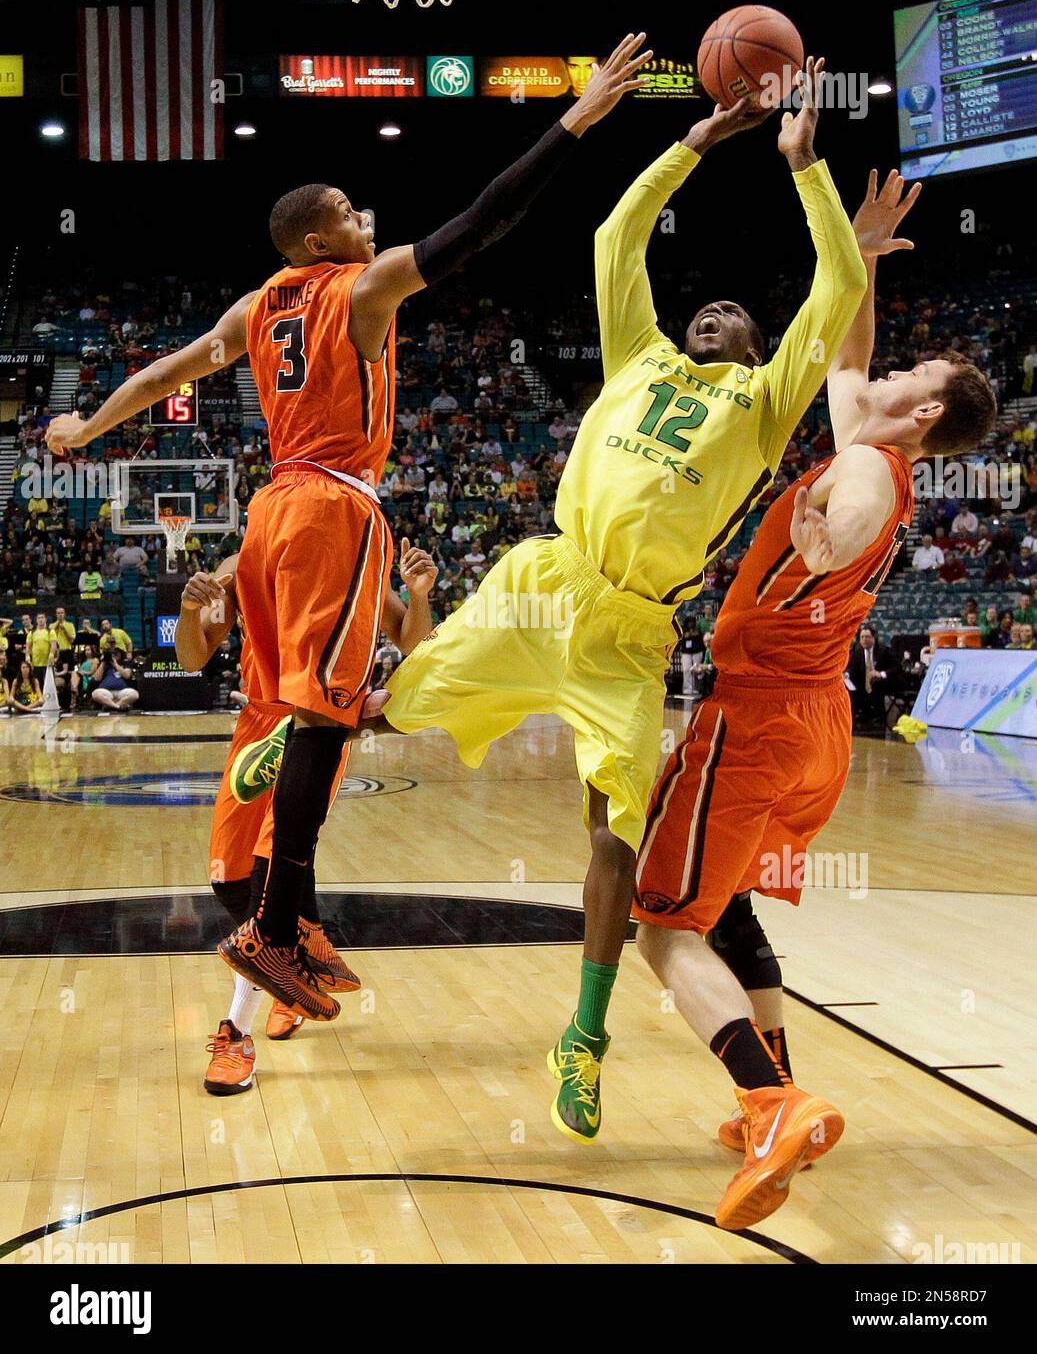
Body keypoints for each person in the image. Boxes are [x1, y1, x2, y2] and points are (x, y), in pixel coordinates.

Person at [47, 34, 650, 1021]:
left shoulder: (255, 306)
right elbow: (483, 220)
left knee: (309, 710)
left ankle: (297, 921)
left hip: (273, 507)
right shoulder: (362, 286)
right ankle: (274, 926)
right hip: (333, 505)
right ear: (317, 244)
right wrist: (574, 122)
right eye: (346, 211)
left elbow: (161, 376)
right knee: (325, 716)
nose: (365, 217)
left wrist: (84, 427)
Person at [357, 59, 871, 1146]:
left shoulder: (767, 401)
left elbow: (835, 290)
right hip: (543, 584)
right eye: (706, 306)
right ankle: (306, 737)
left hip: (629, 636)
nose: (714, 310)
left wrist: (802, 164)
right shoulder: (637, 352)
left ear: (754, 346)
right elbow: (615, 236)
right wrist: (694, 141)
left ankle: (582, 1038)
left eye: (734, 312)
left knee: (615, 842)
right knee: (392, 707)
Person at [631, 169, 996, 1231]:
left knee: (664, 925)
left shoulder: (870, 474)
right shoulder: (869, 445)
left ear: (923, 411)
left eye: (911, 373)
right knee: (731, 904)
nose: (887, 370)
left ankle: (770, 1102)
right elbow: (842, 357)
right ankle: (779, 1084)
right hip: (814, 728)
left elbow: (851, 523)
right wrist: (861, 262)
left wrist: (823, 547)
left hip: (756, 719)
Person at [174, 538, 436, 1095]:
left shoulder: (353, 560)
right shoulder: (238, 567)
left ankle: (237, 1034)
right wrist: (189, 611)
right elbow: (192, 658)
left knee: (269, 871)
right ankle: (294, 962)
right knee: (228, 878)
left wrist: (418, 596)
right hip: (258, 720)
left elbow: (414, 640)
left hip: (317, 721)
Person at [847, 623, 902, 728]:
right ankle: (858, 715)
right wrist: (846, 674)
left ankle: (879, 716)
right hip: (863, 682)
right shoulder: (857, 651)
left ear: (873, 638)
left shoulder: (884, 650)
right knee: (851, 685)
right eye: (862, 637)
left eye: (867, 637)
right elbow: (852, 669)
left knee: (875, 683)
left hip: (884, 682)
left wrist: (881, 674)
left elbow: (897, 667)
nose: (864, 640)